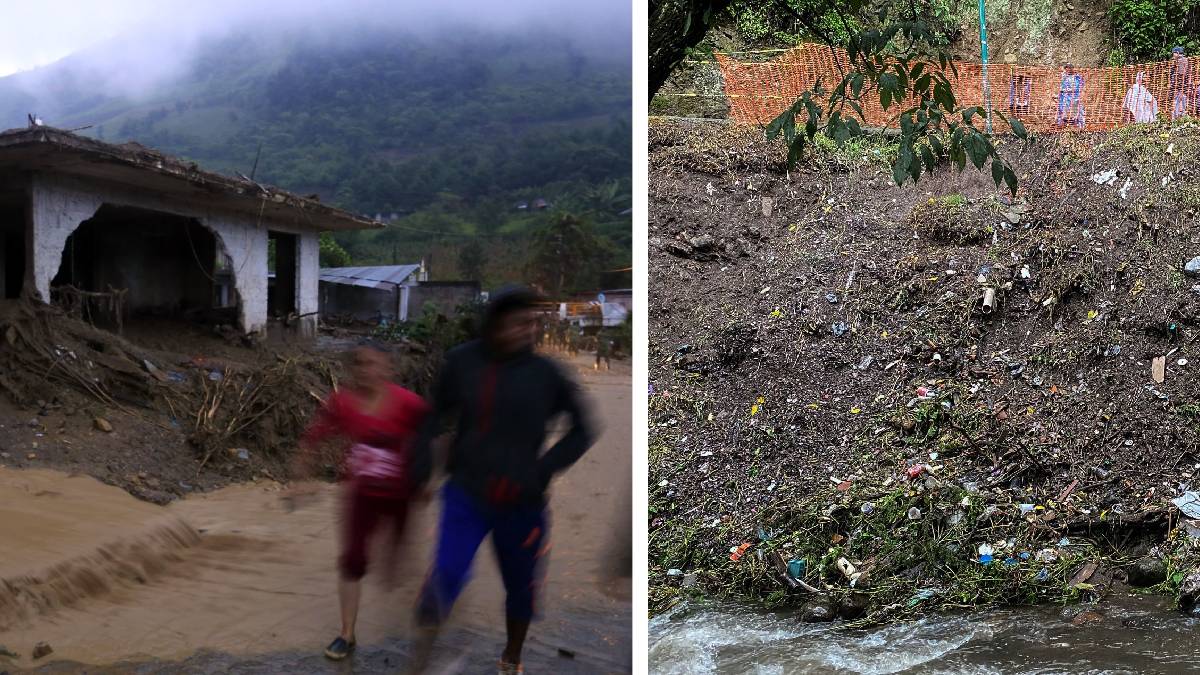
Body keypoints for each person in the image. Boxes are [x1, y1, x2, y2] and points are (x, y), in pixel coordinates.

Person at [407, 288, 595, 674]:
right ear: (495, 324)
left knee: (522, 589)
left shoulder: (546, 375)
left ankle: (511, 659)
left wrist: (543, 470)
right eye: (520, 323)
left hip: (522, 503)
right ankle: (420, 661)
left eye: (534, 323)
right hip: (466, 493)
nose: (530, 330)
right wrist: (422, 467)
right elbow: (431, 416)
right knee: (445, 573)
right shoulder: (462, 363)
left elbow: (583, 429)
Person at [289, 342, 430, 661]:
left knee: (396, 567)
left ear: (387, 368)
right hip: (360, 496)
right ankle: (346, 633)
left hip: (400, 495)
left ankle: (419, 624)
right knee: (352, 561)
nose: (366, 370)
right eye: (361, 364)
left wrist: (428, 479)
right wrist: (300, 479)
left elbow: (434, 433)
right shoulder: (343, 402)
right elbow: (312, 438)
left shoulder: (408, 403)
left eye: (373, 364)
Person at [1056, 63, 1085, 129]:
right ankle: (1061, 126)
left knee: (1077, 112)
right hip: (1065, 98)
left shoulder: (1078, 77)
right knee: (1063, 112)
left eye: (1070, 67)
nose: (1068, 69)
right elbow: (1061, 88)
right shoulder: (1063, 77)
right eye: (1067, 68)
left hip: (1075, 97)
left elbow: (1081, 87)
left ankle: (1079, 126)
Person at [1170, 46, 1191, 120]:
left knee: (1179, 107)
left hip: (1180, 89)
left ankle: (1178, 122)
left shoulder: (1182, 61)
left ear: (1178, 53)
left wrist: (1179, 88)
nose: (1173, 55)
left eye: (1173, 53)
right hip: (1179, 89)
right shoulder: (1179, 61)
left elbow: (1182, 75)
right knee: (1179, 106)